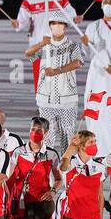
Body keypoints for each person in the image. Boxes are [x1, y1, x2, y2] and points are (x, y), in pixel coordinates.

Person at [78, 0, 111, 154]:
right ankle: (95, 147)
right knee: (96, 109)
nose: (108, 5)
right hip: (97, 75)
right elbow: (89, 53)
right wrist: (85, 44)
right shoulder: (94, 26)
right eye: (105, 1)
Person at [26, 16, 81, 152]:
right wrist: (41, 44)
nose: (57, 26)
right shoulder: (44, 45)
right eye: (54, 23)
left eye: (60, 23)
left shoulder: (73, 45)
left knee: (67, 136)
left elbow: (78, 62)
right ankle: (47, 167)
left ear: (65, 27)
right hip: (46, 100)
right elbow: (28, 53)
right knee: (46, 137)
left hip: (67, 99)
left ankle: (66, 168)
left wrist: (57, 71)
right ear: (50, 26)